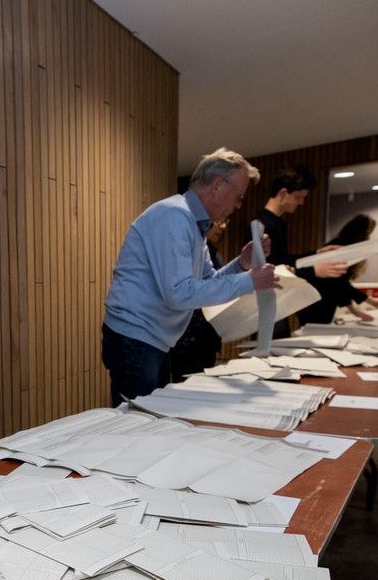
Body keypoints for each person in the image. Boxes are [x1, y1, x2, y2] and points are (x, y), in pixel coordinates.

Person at [102, 147, 279, 406]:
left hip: (151, 338)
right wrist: (249, 281)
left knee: (148, 420)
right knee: (136, 425)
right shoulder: (174, 215)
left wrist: (241, 264)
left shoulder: (194, 225)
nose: (238, 205)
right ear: (217, 185)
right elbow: (179, 293)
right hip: (136, 337)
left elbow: (207, 283)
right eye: (238, 196)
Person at [255, 164, 348, 336]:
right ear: (283, 193)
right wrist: (314, 271)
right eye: (299, 197)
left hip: (278, 304)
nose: (301, 203)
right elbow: (270, 272)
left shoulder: (276, 222)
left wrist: (316, 255)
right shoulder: (263, 225)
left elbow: (283, 260)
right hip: (267, 306)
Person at [296, 213, 378, 325]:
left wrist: (355, 307)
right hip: (316, 303)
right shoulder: (341, 247)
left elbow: (339, 283)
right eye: (368, 233)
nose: (368, 238)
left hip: (316, 301)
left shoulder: (341, 244)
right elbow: (338, 283)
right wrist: (364, 301)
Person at [168, 221, 226, 379]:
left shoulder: (214, 253)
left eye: (226, 221)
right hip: (188, 341)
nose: (222, 226)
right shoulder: (189, 253)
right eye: (218, 220)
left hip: (208, 339)